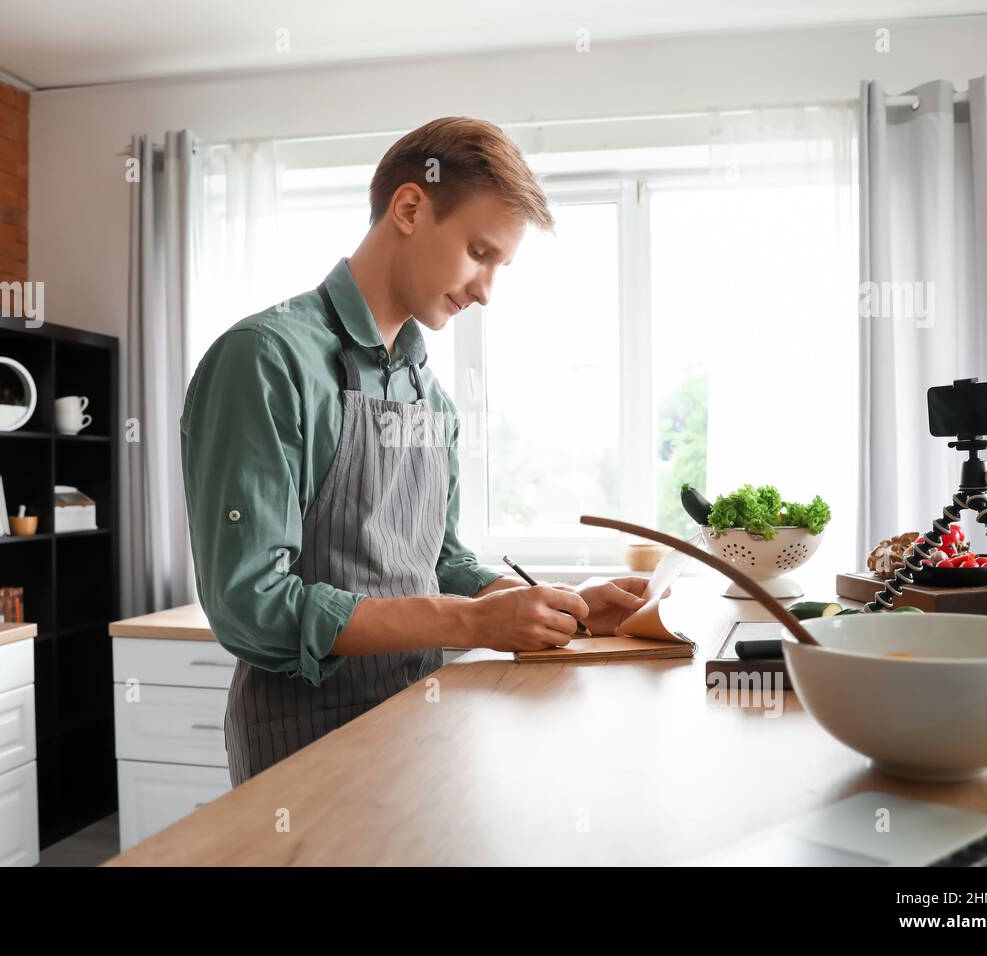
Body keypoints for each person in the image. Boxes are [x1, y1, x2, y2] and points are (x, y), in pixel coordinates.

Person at [181, 116, 650, 786]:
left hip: (424, 732)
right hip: (304, 751)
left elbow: (441, 563)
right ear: (409, 207)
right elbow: (250, 605)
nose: (487, 291)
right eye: (479, 253)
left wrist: (555, 606)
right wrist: (471, 621)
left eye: (500, 266)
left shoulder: (431, 399)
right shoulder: (265, 360)